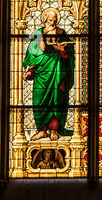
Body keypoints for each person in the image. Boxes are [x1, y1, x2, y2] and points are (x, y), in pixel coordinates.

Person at [22, 9, 74, 140]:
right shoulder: (38, 34)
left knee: (57, 100)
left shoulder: (62, 33)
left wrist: (63, 50)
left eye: (55, 20)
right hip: (42, 74)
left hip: (58, 70)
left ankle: (54, 130)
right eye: (50, 20)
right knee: (39, 101)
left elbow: (69, 51)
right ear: (45, 20)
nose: (53, 23)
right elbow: (34, 54)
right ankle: (42, 130)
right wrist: (30, 70)